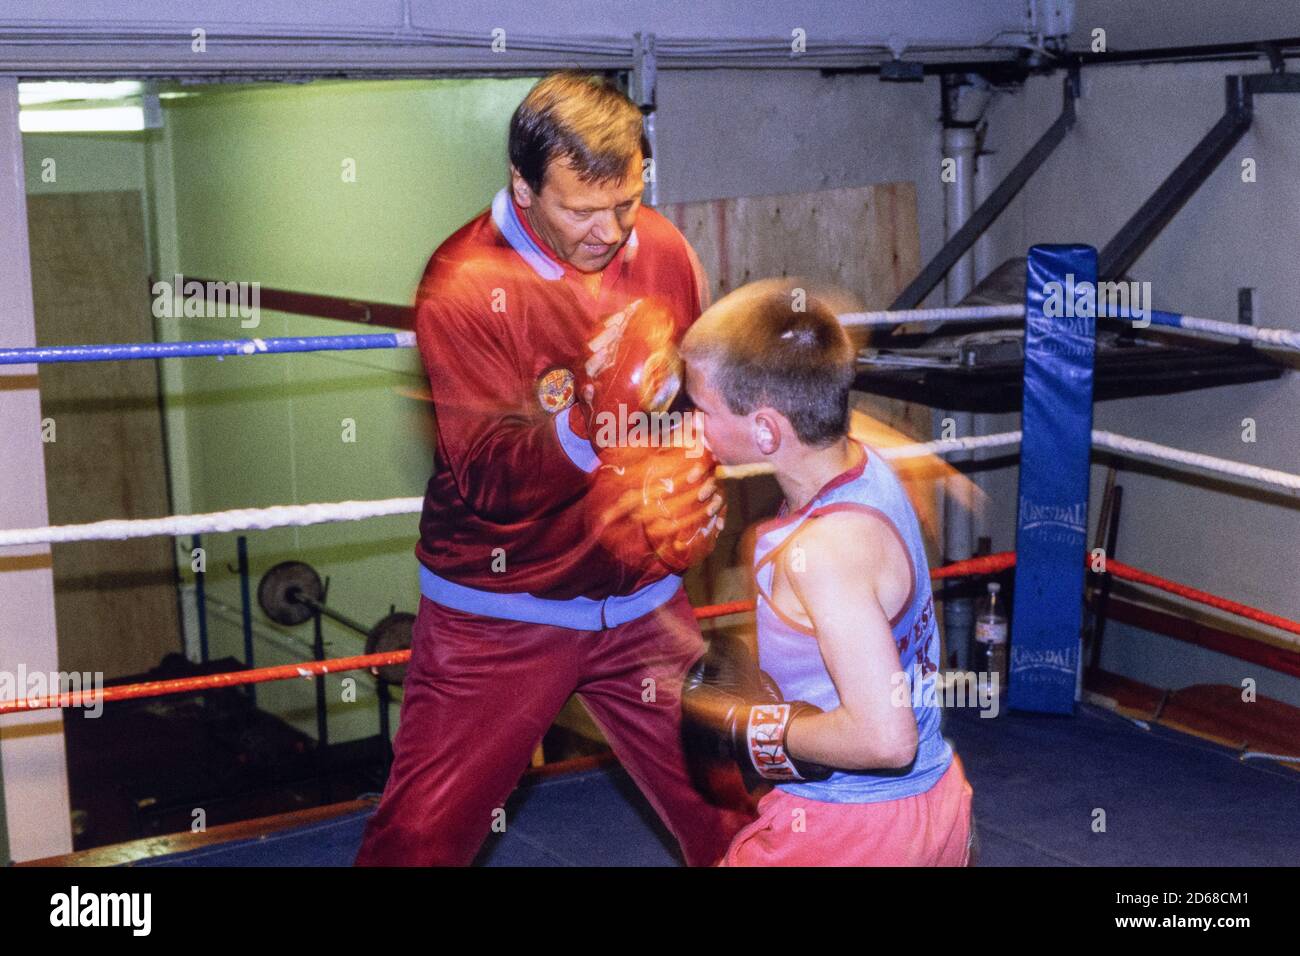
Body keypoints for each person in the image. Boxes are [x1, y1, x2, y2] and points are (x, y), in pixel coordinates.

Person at [354, 71, 752, 866]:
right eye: (581, 209)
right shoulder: (465, 285)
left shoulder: (663, 250)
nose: (609, 230)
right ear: (524, 186)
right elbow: (490, 480)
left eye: (626, 202)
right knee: (419, 845)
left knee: (735, 812)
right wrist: (589, 415)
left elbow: (694, 397)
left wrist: (699, 467)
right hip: (500, 613)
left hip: (639, 603)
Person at [678, 282, 976, 866]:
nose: (692, 425)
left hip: (849, 828)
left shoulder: (824, 555)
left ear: (766, 430)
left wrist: (752, 728)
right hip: (935, 803)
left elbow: (885, 741)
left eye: (702, 409)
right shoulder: (863, 457)